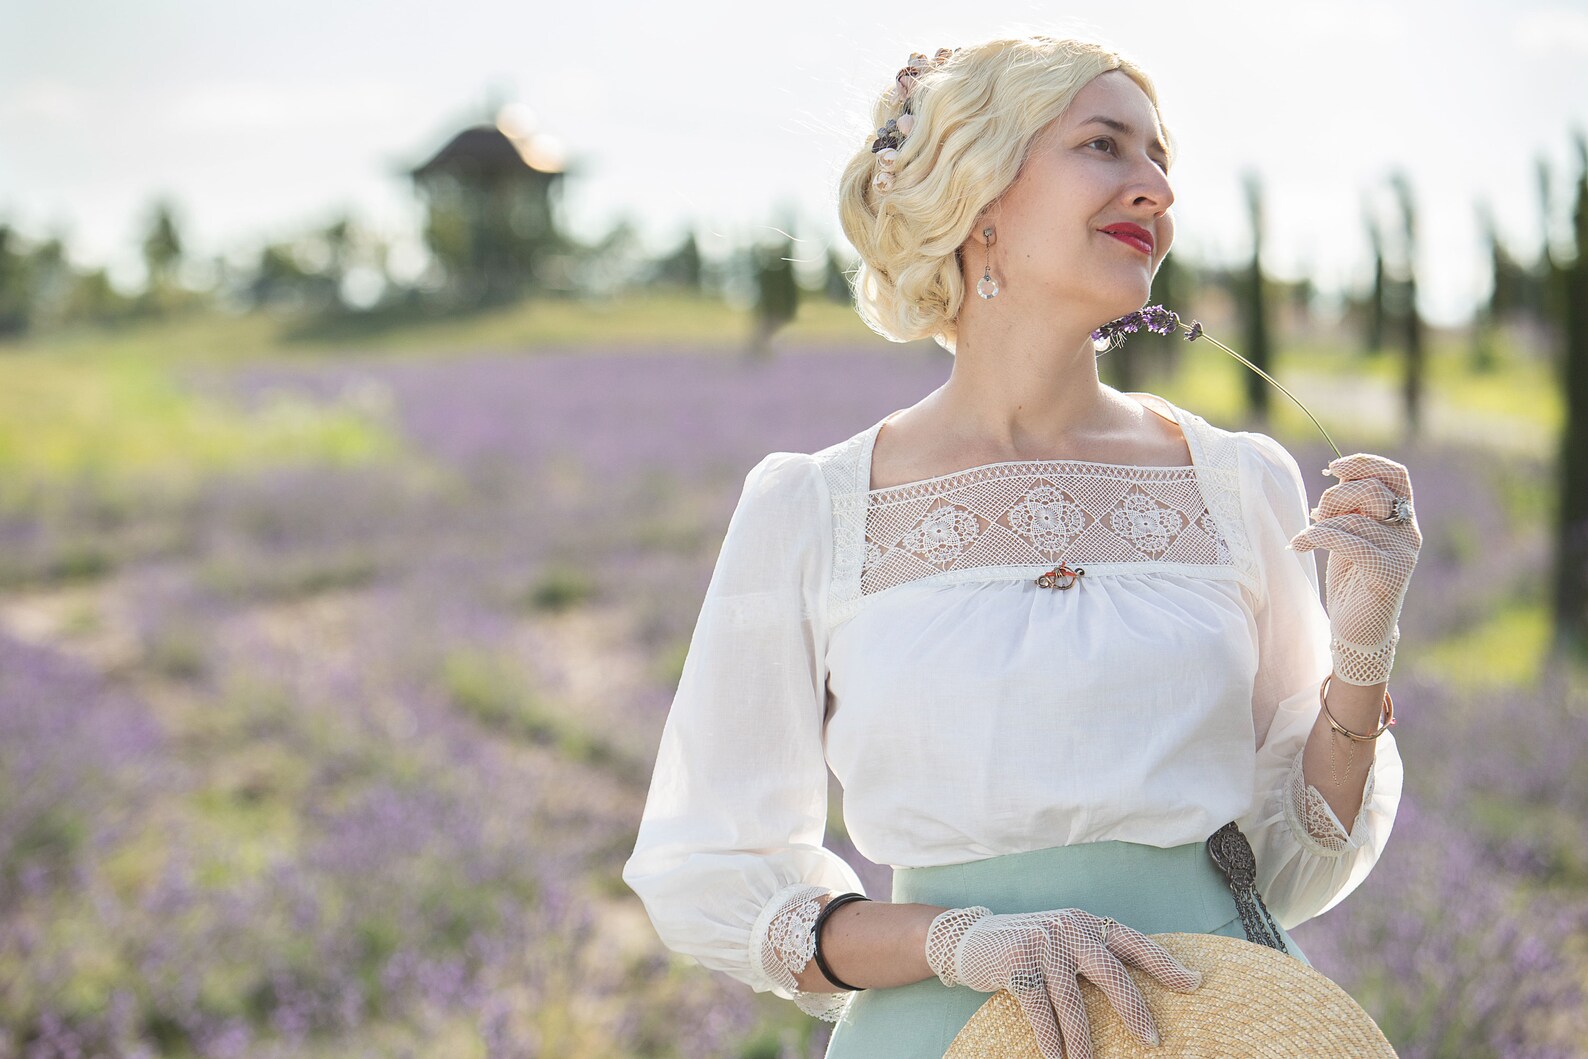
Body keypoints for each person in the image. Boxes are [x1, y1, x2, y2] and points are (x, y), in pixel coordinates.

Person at [622, 34, 1419, 1059]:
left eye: (1161, 161)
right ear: (980, 197)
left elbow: (1294, 861)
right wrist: (960, 942)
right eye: (1104, 145)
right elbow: (716, 867)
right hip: (936, 1025)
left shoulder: (1239, 481)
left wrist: (1362, 650)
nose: (1153, 191)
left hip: (1219, 1020)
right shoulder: (810, 508)